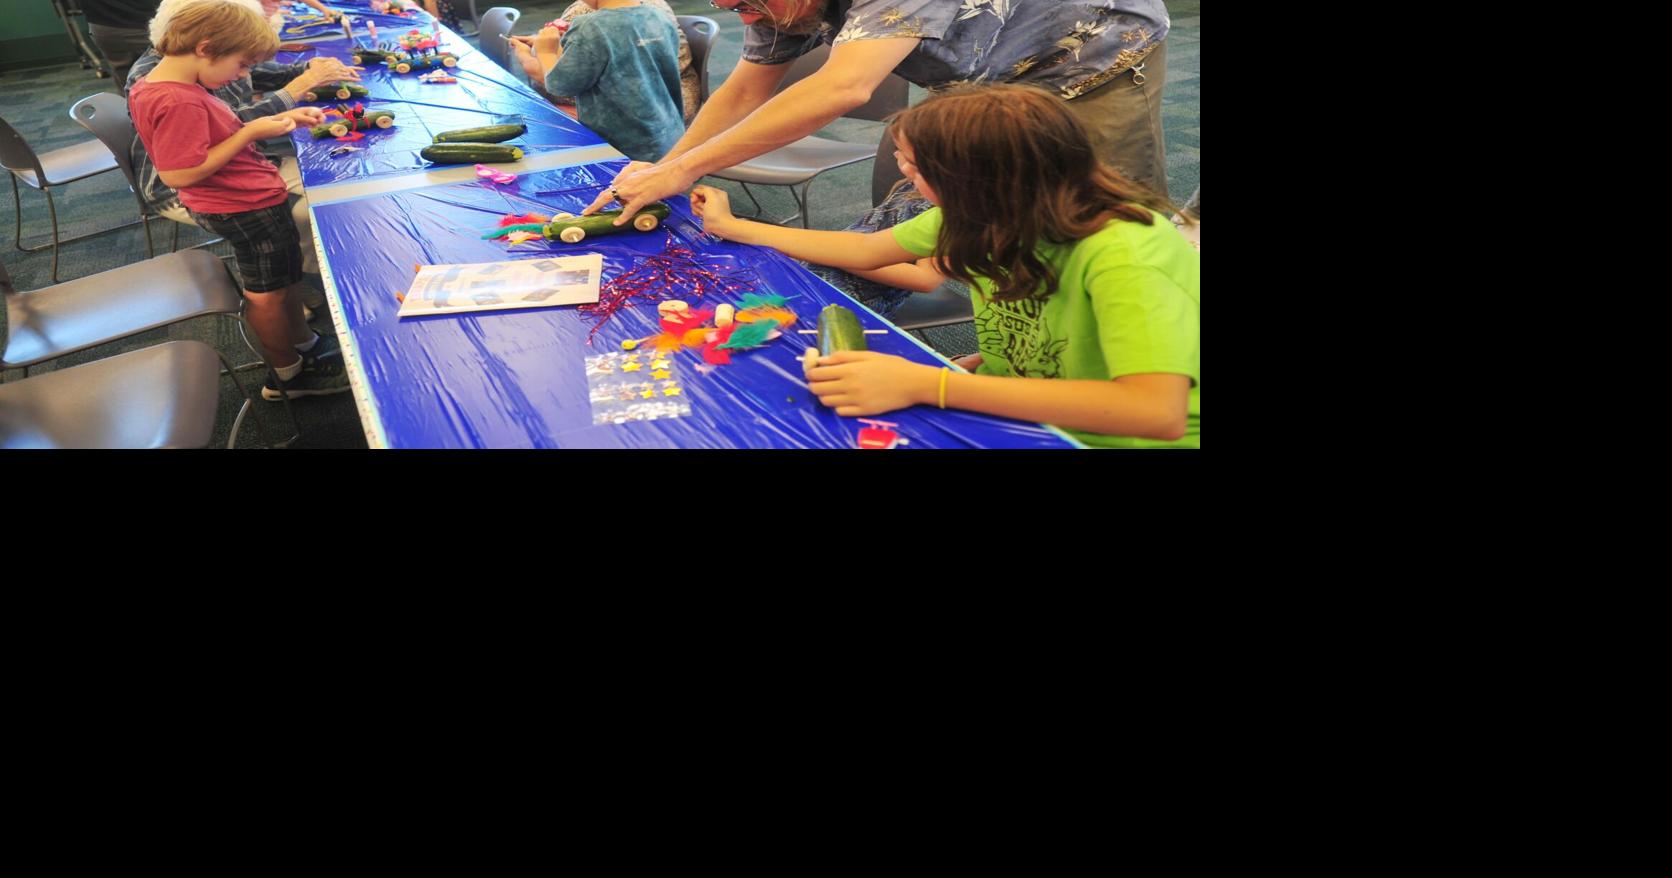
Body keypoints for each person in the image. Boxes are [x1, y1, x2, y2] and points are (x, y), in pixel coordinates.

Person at [689, 84, 1199, 448]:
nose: (908, 181)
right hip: (1029, 410)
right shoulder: (989, 212)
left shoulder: (1127, 253)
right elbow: (868, 250)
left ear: (975, 178)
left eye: (916, 167)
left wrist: (930, 385)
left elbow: (1154, 413)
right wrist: (736, 227)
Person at [590, 0, 1173, 226]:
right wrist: (665, 167)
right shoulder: (778, 7)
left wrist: (688, 170)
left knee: (1103, 217)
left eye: (747, 1)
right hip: (974, 78)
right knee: (940, 217)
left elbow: (844, 88)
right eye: (727, 5)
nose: (743, 16)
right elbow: (743, 93)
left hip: (1084, 63)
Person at [129, 0, 349, 399]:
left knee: (285, 278)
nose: (244, 75)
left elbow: (214, 133)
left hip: (251, 198)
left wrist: (274, 123)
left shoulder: (169, 85)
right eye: (243, 64)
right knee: (267, 292)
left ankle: (304, 344)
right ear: (206, 47)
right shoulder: (178, 99)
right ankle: (287, 375)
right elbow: (178, 172)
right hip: (241, 207)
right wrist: (249, 134)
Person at [506, 0, 683, 163]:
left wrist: (545, 52)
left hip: (624, 151)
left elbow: (560, 85)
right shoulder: (659, 16)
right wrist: (571, 44)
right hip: (671, 142)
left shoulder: (590, 27)